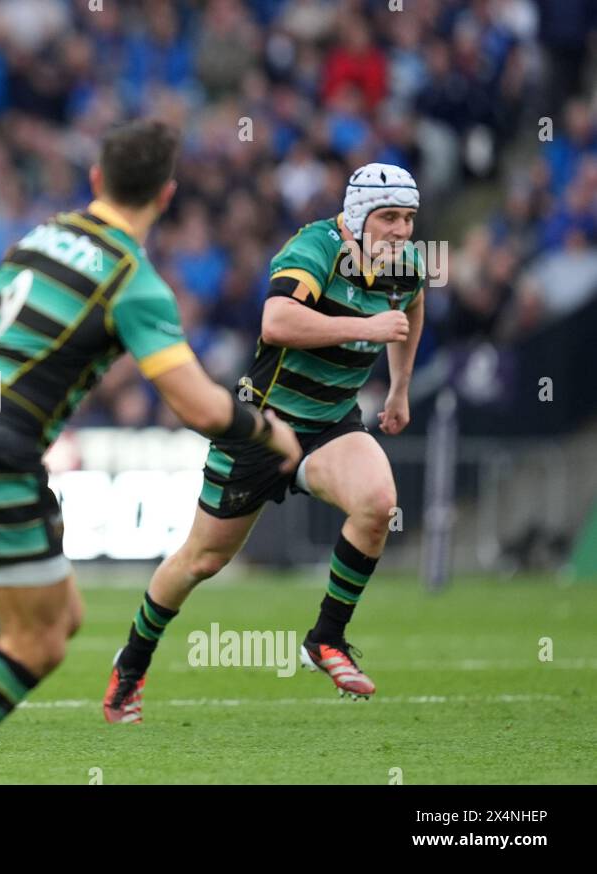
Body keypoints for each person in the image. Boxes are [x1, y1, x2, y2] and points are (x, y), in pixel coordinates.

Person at [0, 120, 300, 784]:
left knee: (56, 613)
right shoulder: (135, 279)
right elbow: (201, 408)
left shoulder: (45, 237)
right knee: (37, 642)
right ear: (166, 196)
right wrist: (273, 434)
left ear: (97, 179)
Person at [103, 162, 424, 723]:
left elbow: (411, 308)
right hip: (261, 425)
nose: (400, 230)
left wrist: (398, 389)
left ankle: (326, 639)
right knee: (201, 561)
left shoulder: (407, 265)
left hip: (329, 425)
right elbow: (276, 320)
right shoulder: (316, 248)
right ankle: (131, 665)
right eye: (389, 217)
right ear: (356, 216)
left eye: (409, 219)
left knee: (377, 504)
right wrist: (365, 328)